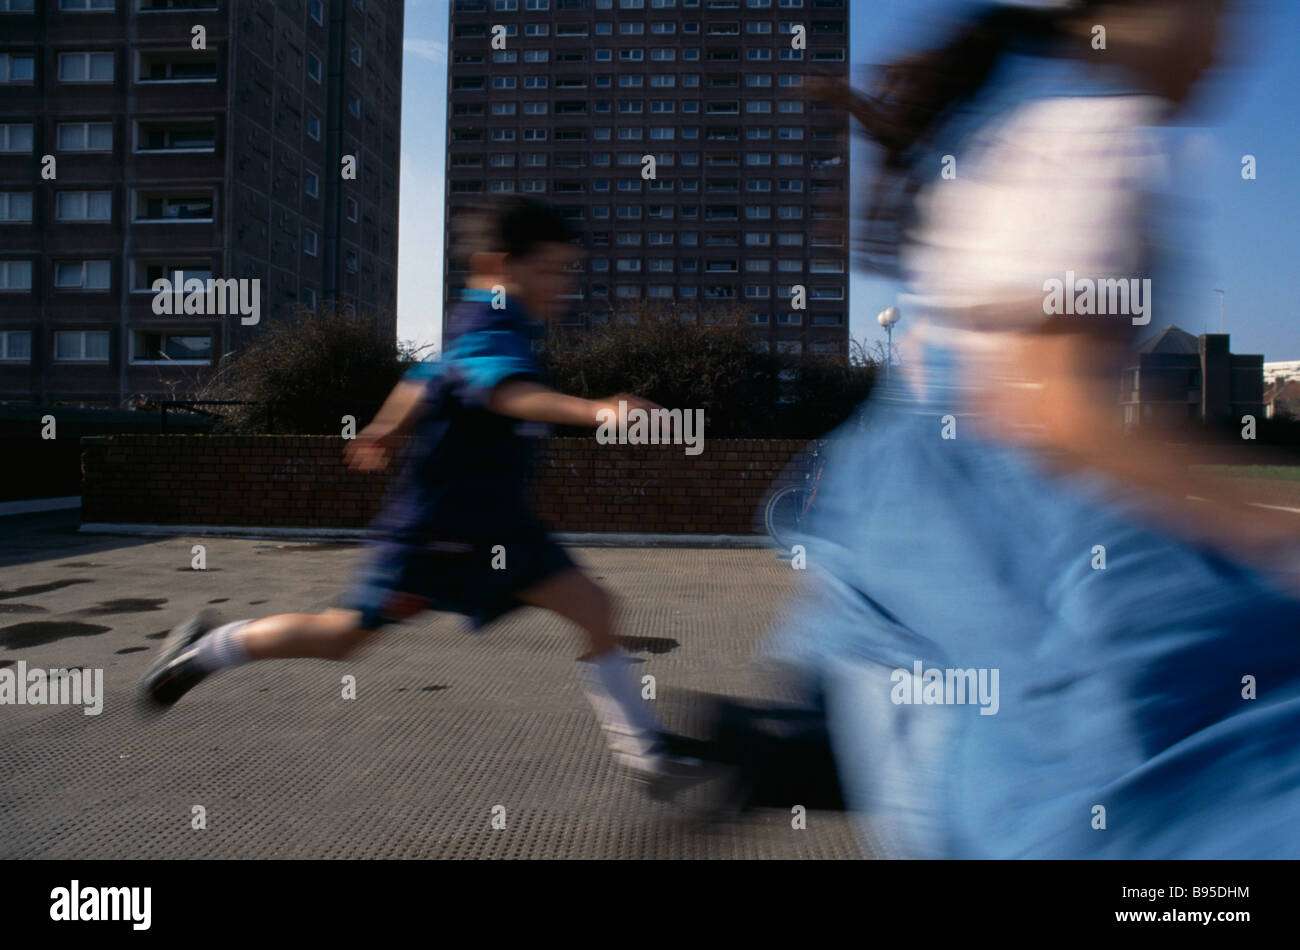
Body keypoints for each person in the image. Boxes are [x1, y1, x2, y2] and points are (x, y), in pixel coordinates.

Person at [763, 0, 1300, 857]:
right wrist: (1266, 527)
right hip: (1012, 533)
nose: (1236, 35)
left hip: (921, 532)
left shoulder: (1014, 125)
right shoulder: (1095, 136)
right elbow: (1053, 409)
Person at [142, 197, 707, 799]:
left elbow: (426, 376)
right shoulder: (492, 323)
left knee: (595, 608)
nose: (564, 285)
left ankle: (646, 752)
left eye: (570, 270)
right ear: (498, 265)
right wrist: (593, 410)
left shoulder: (492, 323)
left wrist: (388, 426)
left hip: (504, 530)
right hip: (435, 534)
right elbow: (500, 392)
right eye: (550, 269)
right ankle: (207, 648)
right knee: (340, 639)